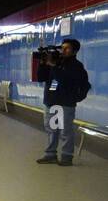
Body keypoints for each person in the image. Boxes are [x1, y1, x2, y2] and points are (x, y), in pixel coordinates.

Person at [36, 37, 90, 166]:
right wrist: (43, 64)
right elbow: (41, 78)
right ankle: (50, 155)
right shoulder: (56, 62)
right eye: (62, 47)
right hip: (51, 101)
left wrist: (54, 66)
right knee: (51, 129)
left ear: (74, 52)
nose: (63, 50)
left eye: (67, 48)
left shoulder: (76, 66)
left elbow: (64, 80)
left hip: (66, 103)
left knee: (65, 130)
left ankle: (66, 156)